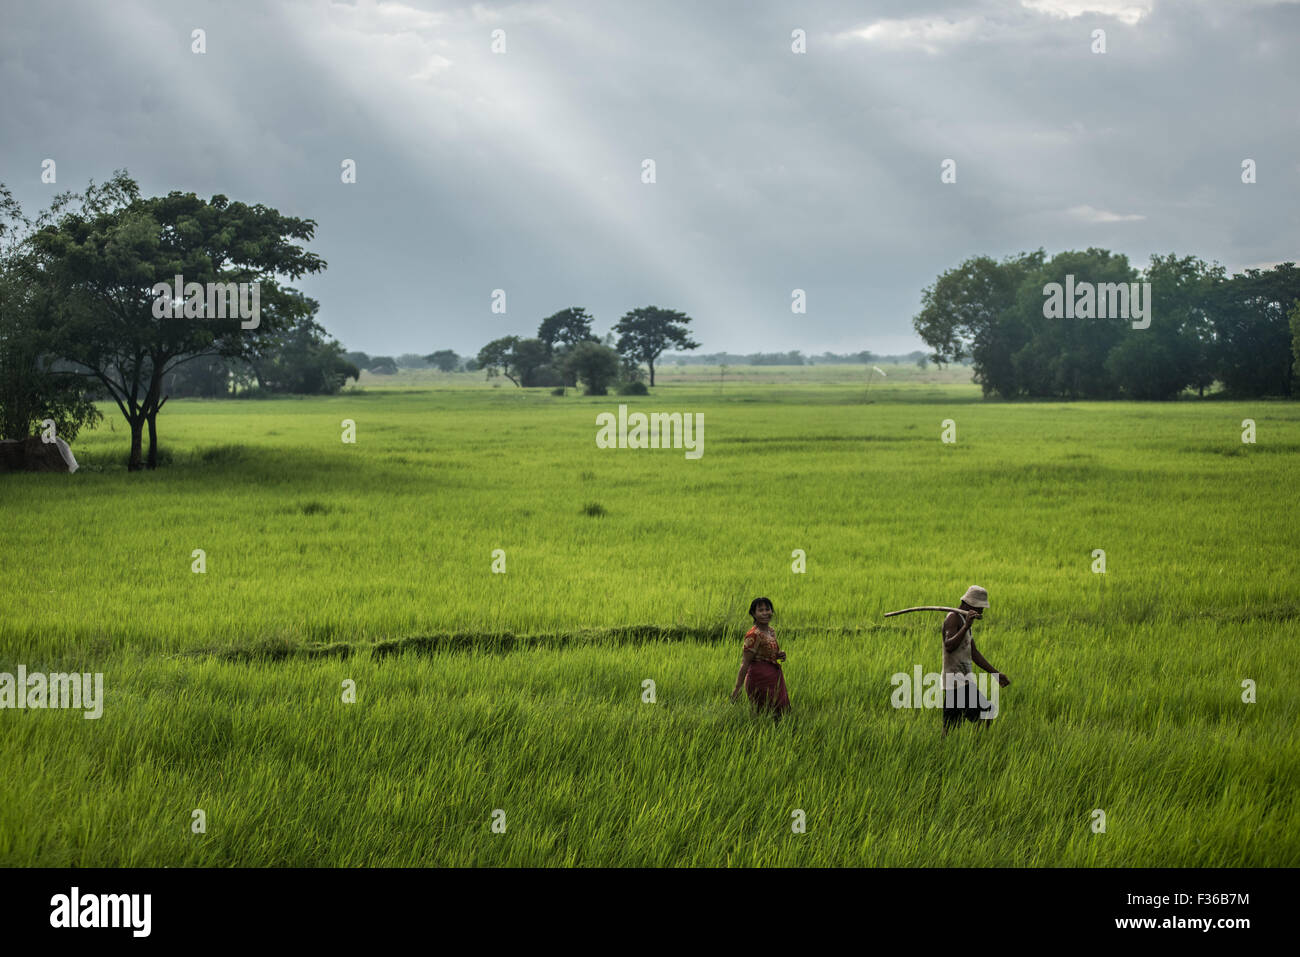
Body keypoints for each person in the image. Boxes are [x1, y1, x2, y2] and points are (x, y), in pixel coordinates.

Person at [941, 585, 1010, 736]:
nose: (981, 612)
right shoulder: (953, 618)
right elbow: (949, 645)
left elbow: (974, 653)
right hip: (955, 682)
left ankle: (971, 748)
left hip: (964, 681)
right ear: (969, 604)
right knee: (984, 713)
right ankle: (976, 747)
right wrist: (965, 626)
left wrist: (996, 674)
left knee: (953, 726)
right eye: (980, 608)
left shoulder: (965, 621)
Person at [729, 597, 790, 721]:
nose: (765, 613)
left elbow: (769, 653)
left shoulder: (771, 631)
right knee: (763, 714)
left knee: (780, 712)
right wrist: (737, 688)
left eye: (767, 609)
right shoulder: (753, 635)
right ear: (753, 614)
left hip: (774, 678)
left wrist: (779, 654)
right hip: (759, 680)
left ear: (772, 611)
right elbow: (745, 662)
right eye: (760, 610)